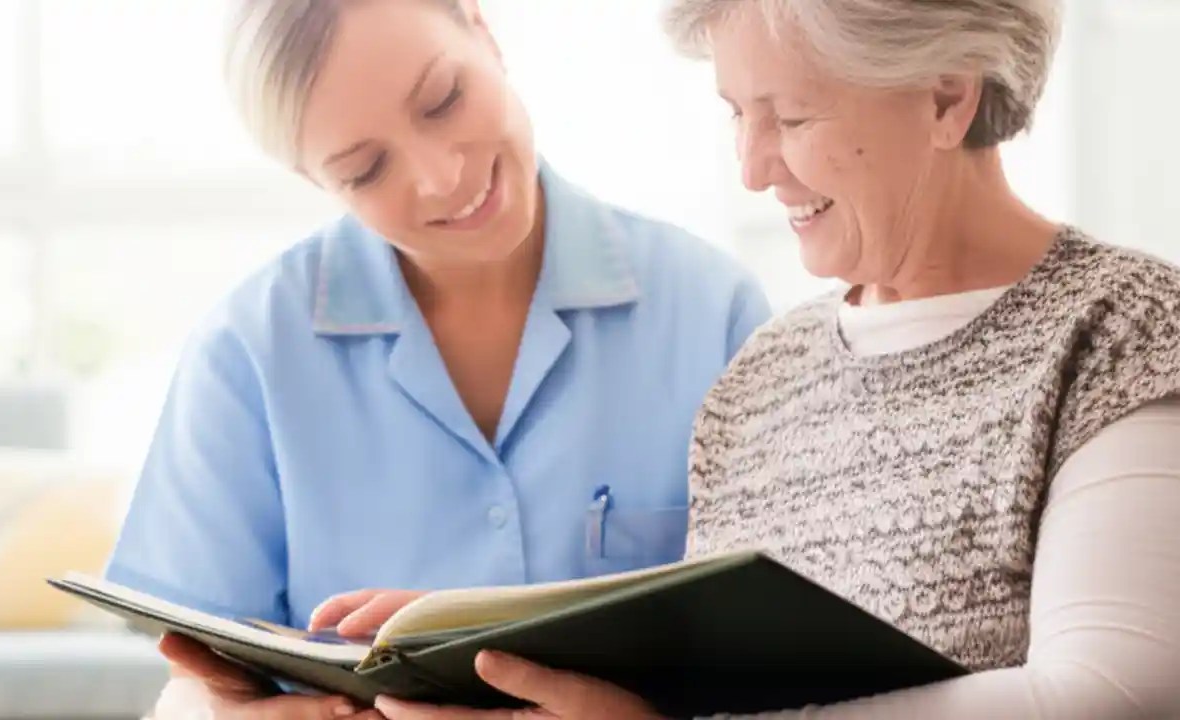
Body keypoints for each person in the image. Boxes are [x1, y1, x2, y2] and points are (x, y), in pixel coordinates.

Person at [365, 1, 1180, 719]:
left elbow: (1113, 698)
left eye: (790, 118)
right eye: (737, 115)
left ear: (947, 94)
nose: (754, 169)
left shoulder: (1122, 332)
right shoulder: (761, 378)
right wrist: (490, 649)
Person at [107, 0, 770, 717]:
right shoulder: (248, 353)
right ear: (315, 181)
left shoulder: (712, 312)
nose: (440, 177)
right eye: (364, 170)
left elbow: (793, 667)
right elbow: (195, 679)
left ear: (482, 31)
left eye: (443, 100)